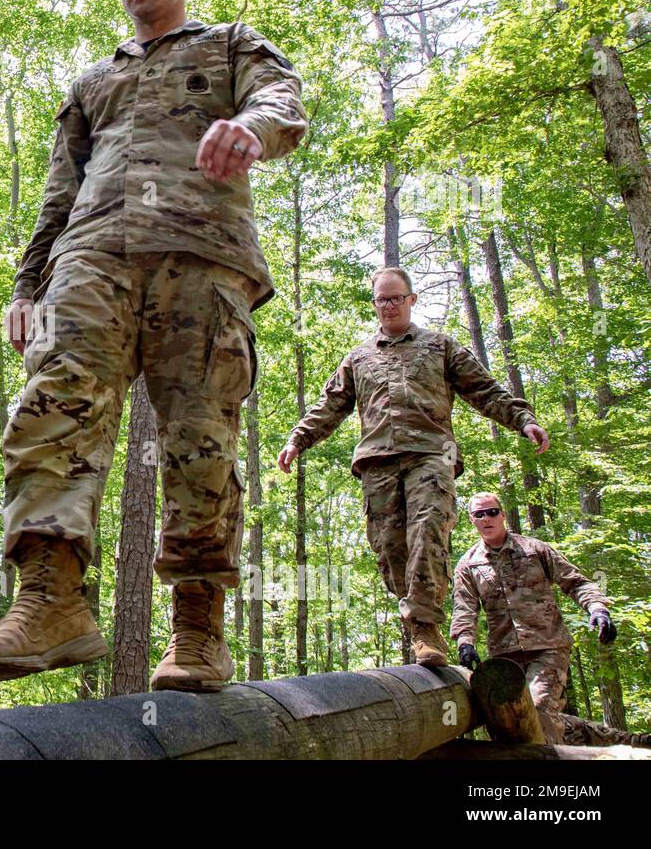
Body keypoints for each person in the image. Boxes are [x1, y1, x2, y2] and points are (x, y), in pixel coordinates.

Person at [0, 0, 308, 691]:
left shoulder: (228, 45)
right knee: (53, 404)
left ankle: (196, 628)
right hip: (89, 256)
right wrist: (26, 288)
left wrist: (252, 126)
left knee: (200, 436)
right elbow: (58, 190)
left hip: (202, 253)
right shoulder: (93, 80)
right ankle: (50, 599)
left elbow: (282, 99)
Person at [277, 267, 549, 667]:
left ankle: (424, 623)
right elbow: (330, 404)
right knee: (390, 549)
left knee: (428, 529)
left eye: (396, 298)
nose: (389, 306)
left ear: (411, 299)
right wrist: (298, 439)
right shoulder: (358, 358)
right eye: (381, 299)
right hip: (377, 463)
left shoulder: (439, 347)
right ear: (374, 304)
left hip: (431, 456)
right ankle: (418, 628)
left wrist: (522, 419)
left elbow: (483, 388)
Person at [451, 492, 646, 747]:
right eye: (479, 514)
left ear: (503, 515)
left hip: (548, 646)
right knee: (508, 720)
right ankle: (609, 738)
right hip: (505, 655)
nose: (487, 518)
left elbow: (575, 582)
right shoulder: (468, 565)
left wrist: (598, 609)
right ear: (472, 520)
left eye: (492, 512)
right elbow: (464, 608)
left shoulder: (533, 549)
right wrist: (465, 642)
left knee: (539, 708)